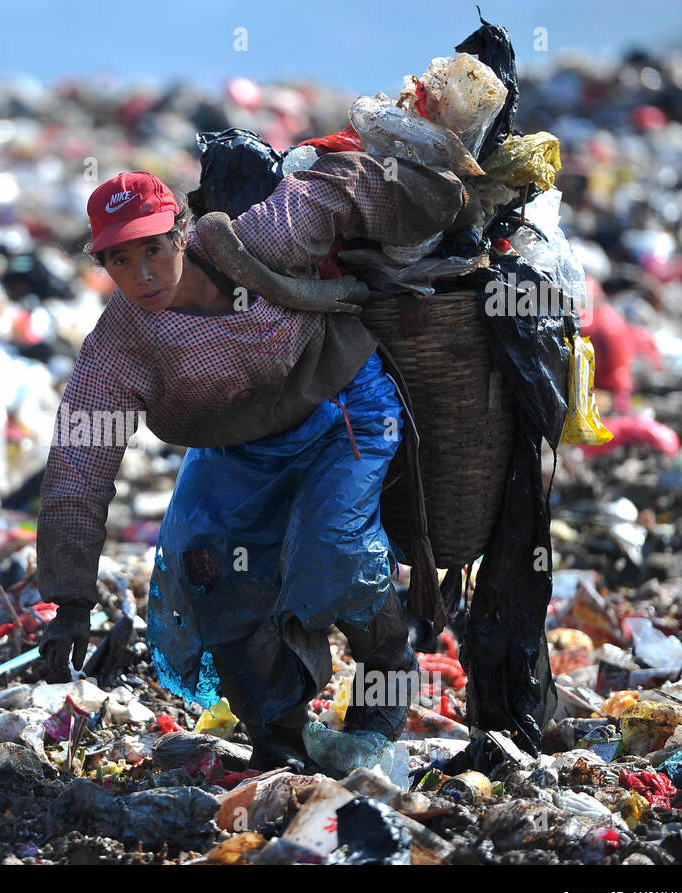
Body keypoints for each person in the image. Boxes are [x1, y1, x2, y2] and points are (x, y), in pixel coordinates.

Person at [35, 151, 469, 769]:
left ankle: (389, 668)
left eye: (154, 248)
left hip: (341, 404)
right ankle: (281, 734)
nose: (143, 274)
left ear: (183, 231)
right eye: (120, 259)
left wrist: (442, 197)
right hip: (241, 446)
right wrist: (71, 600)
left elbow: (337, 187)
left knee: (333, 550)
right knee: (209, 575)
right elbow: (78, 465)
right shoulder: (119, 347)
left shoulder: (256, 240)